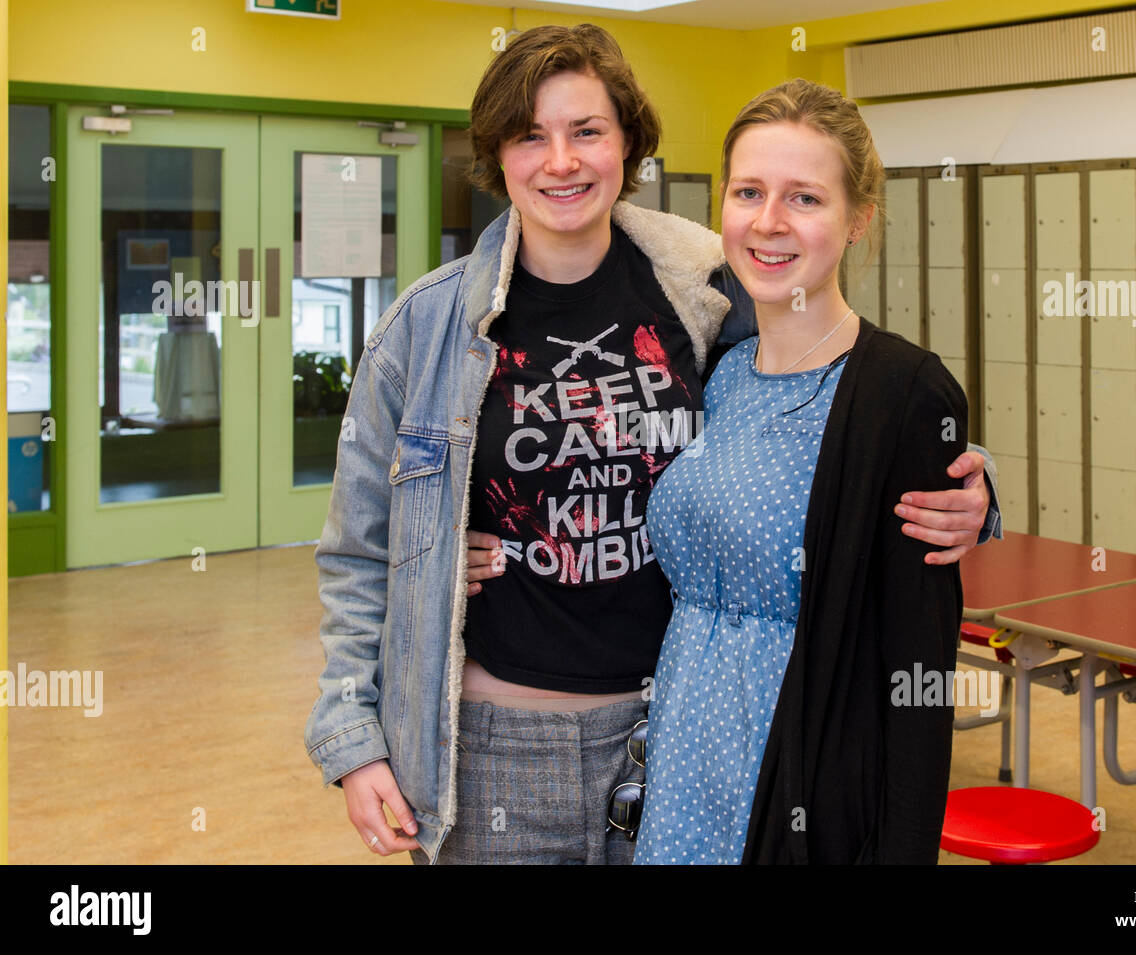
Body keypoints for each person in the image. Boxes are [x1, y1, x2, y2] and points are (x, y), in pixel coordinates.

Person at [304, 24, 999, 866]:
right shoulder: (427, 325)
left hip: (668, 736)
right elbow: (357, 547)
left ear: (626, 143)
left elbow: (841, 397)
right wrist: (356, 734)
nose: (561, 161)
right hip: (494, 748)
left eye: (587, 131)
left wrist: (972, 485)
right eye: (530, 136)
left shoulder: (706, 288)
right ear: (498, 155)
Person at [633, 78, 967, 864]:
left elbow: (920, 665)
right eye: (749, 191)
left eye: (805, 198)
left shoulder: (900, 392)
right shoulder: (719, 368)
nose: (769, 221)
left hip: (801, 784)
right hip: (684, 765)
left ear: (857, 220)